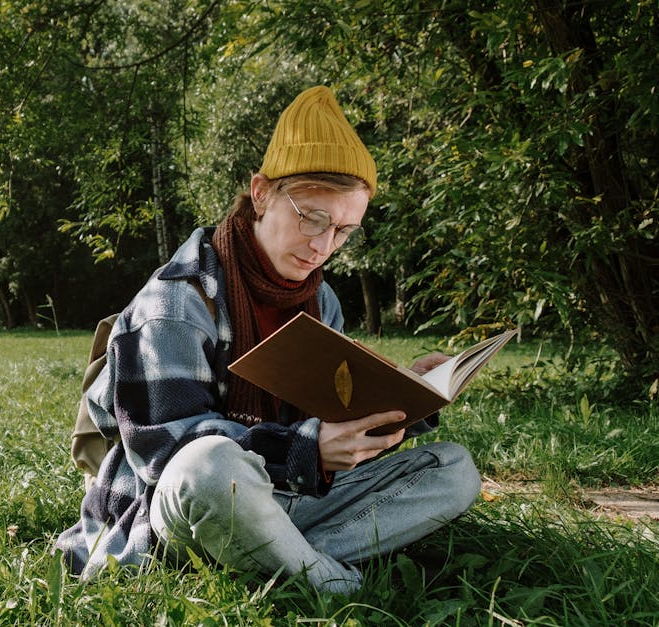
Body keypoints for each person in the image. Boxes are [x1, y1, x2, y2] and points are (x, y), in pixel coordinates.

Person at [53, 86, 481, 593]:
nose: (324, 246)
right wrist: (308, 452)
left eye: (344, 230)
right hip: (179, 507)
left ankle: (269, 553)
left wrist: (405, 397)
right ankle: (331, 581)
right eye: (312, 218)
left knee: (453, 469)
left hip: (288, 492)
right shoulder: (175, 302)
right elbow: (165, 454)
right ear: (261, 193)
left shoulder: (321, 302)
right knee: (208, 465)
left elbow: (329, 418)